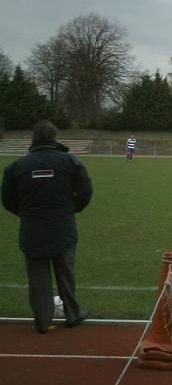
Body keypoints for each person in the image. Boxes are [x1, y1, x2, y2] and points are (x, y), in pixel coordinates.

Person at [1, 120, 92, 333]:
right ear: (54, 137)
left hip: (32, 230)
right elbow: (86, 192)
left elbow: (7, 200)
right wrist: (72, 209)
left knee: (38, 280)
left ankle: (42, 321)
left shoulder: (16, 167)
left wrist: (26, 214)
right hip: (63, 228)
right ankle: (72, 314)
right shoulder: (70, 162)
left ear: (33, 138)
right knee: (65, 274)